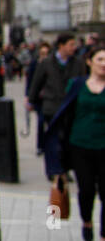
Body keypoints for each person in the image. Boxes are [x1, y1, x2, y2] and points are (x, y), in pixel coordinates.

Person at [48, 44, 105, 241]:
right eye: (100, 59)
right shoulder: (77, 85)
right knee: (87, 189)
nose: (104, 64)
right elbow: (65, 114)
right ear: (89, 62)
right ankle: (87, 222)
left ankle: (104, 234)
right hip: (80, 146)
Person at [29, 33, 85, 179]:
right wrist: (31, 101)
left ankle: (64, 168)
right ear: (61, 45)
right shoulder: (47, 62)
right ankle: (54, 169)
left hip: (70, 107)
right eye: (71, 44)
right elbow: (36, 83)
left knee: (66, 140)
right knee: (54, 139)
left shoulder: (78, 63)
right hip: (51, 106)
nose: (74, 47)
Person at [26, 42, 51, 152]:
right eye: (42, 53)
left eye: (46, 53)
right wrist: (28, 98)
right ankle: (40, 146)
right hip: (38, 98)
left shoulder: (52, 65)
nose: (44, 56)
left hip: (49, 98)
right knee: (40, 122)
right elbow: (30, 81)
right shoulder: (34, 64)